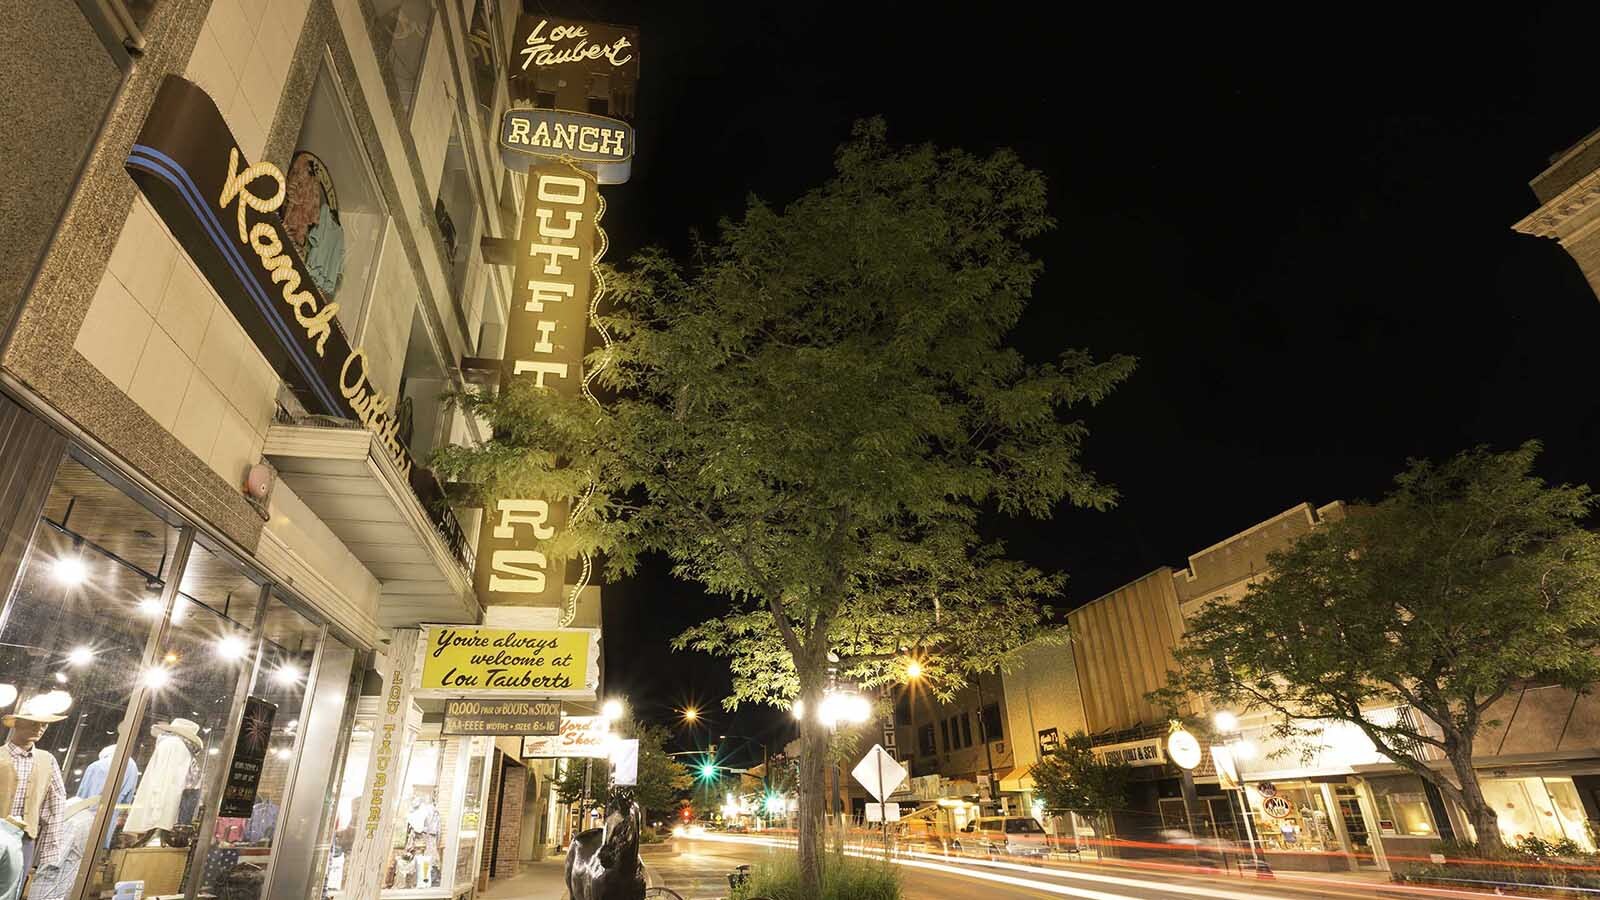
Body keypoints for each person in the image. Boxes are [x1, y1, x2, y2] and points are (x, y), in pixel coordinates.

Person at [0, 695, 69, 889]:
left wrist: (50, 851)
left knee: (15, 888)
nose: (39, 729)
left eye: (43, 725)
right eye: (33, 723)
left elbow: (55, 806)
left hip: (25, 840)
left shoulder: (47, 760)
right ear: (17, 723)